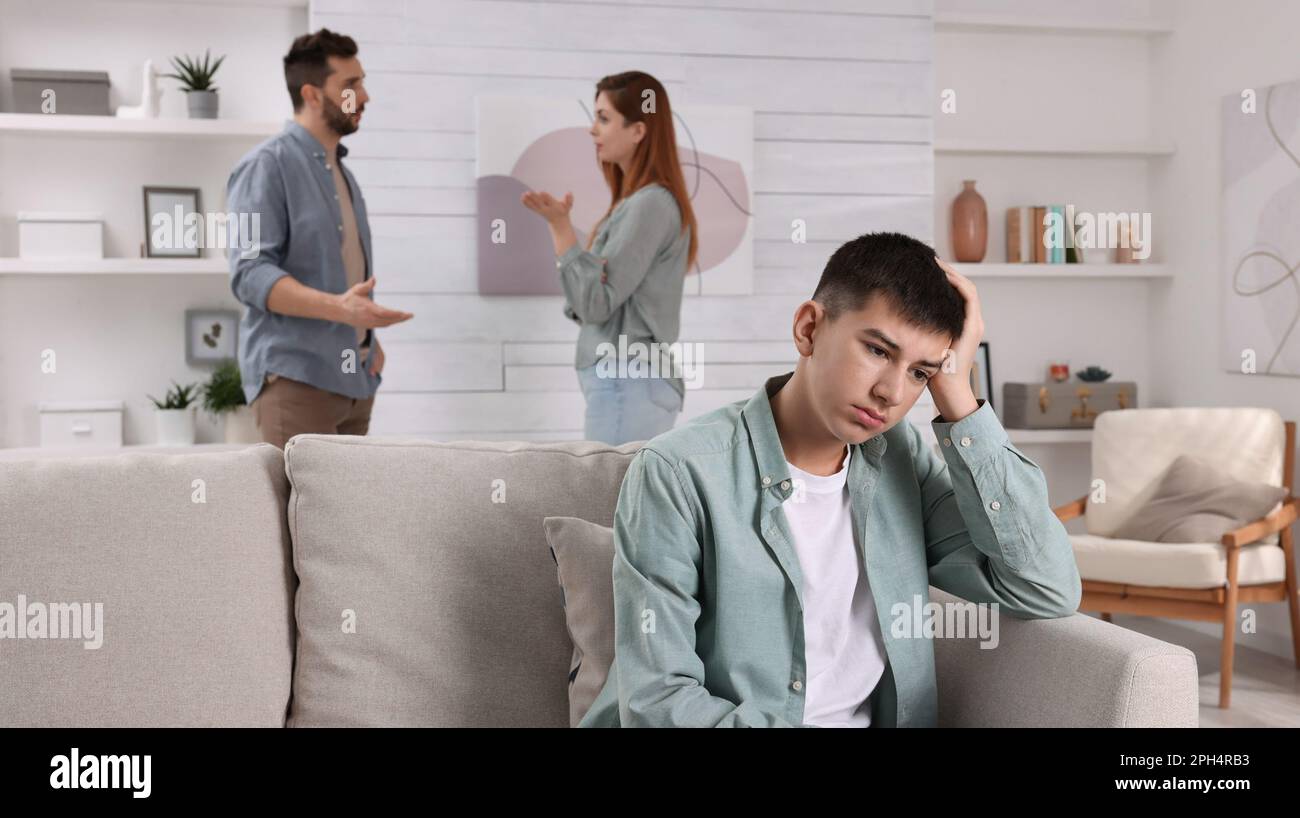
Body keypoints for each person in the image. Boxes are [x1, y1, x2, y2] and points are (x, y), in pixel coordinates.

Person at [579, 232, 1082, 727]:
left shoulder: (901, 464)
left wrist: (957, 392)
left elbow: (1044, 587)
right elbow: (657, 701)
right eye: (879, 351)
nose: (890, 392)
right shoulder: (679, 472)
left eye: (919, 374)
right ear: (808, 329)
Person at [226, 28, 413, 449]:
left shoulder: (343, 176)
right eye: (351, 85)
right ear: (312, 94)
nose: (364, 97)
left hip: (354, 380)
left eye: (362, 82)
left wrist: (369, 342)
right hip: (297, 382)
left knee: (343, 516)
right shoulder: (265, 167)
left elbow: (342, 277)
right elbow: (250, 274)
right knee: (299, 516)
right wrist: (340, 311)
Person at [521, 71, 696, 445]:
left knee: (603, 499)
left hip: (628, 376)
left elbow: (595, 303)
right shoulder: (634, 204)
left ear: (638, 130)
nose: (592, 130)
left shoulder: (650, 204)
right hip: (626, 378)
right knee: (612, 499)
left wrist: (561, 230)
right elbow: (587, 304)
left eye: (603, 118)